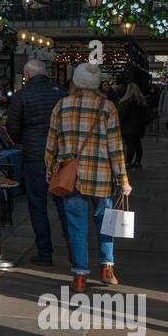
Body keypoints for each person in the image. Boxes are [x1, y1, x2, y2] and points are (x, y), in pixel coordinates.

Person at [45, 63, 132, 295]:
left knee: (76, 226)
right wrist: (123, 179)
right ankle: (106, 268)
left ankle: (80, 275)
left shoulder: (61, 105)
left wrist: (50, 170)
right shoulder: (108, 107)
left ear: (76, 80)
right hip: (101, 177)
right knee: (105, 222)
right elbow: (115, 147)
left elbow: (51, 143)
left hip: (70, 178)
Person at [6, 59, 69, 267]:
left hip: (34, 157)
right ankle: (73, 249)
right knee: (63, 204)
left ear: (27, 74)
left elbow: (13, 129)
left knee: (37, 205)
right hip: (59, 157)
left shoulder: (21, 96)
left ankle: (44, 252)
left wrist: (25, 140)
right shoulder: (61, 94)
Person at [117, 82, 149, 169]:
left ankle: (128, 162)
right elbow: (145, 116)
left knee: (130, 144)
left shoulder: (127, 101)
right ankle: (137, 161)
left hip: (128, 127)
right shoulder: (141, 102)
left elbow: (122, 114)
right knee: (138, 144)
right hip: (138, 127)